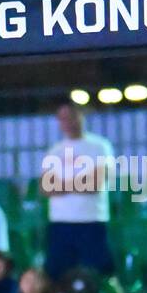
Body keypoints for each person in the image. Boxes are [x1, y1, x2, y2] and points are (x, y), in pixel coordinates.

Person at [39, 99, 114, 281]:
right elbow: (45, 188)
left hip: (91, 220)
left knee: (98, 274)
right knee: (56, 275)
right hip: (60, 222)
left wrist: (62, 185)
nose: (68, 123)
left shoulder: (99, 147)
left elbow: (95, 183)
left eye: (71, 117)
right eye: (63, 119)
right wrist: (80, 183)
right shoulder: (54, 151)